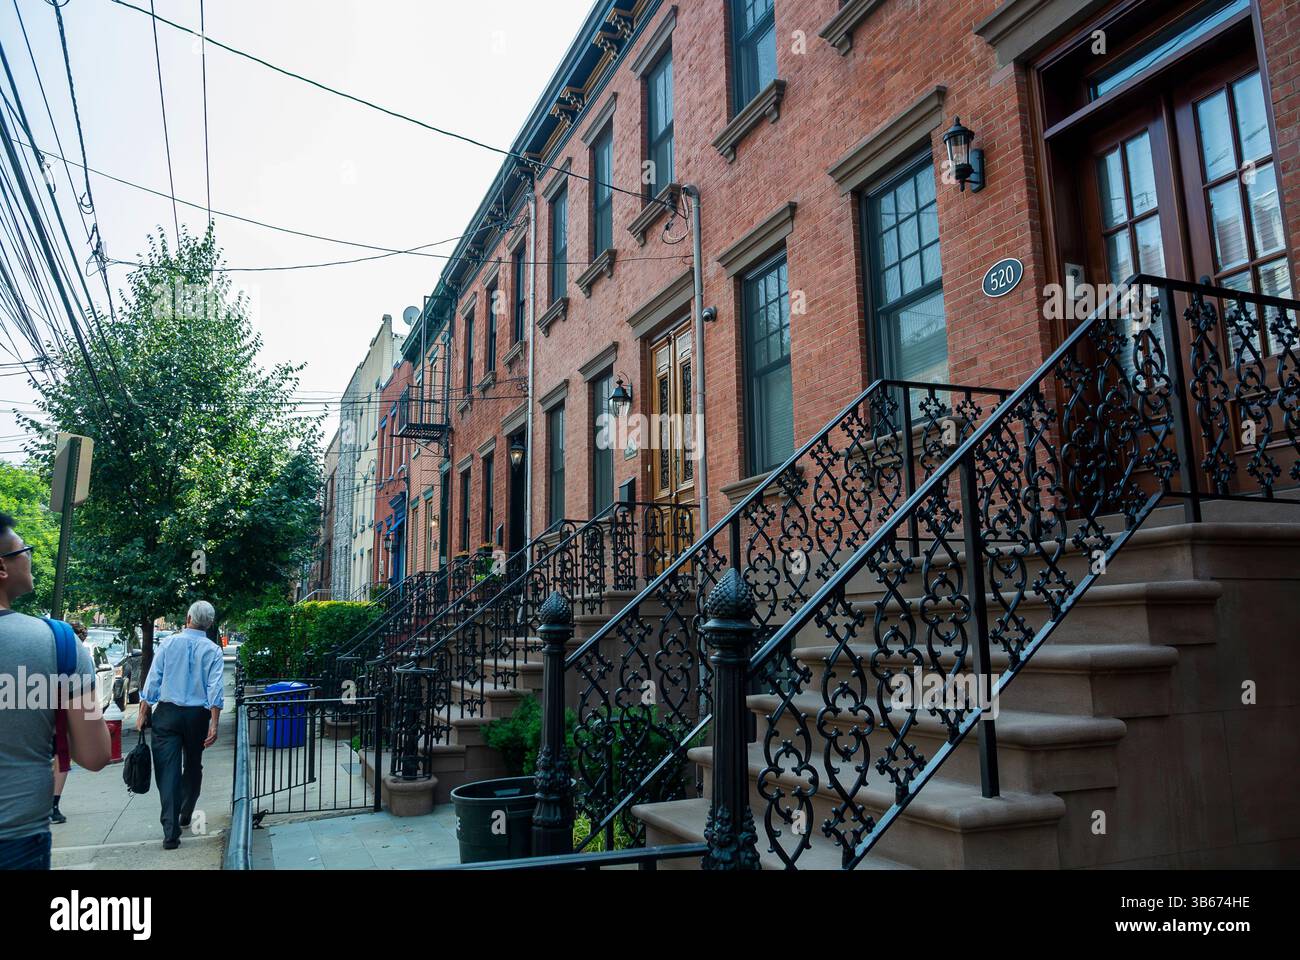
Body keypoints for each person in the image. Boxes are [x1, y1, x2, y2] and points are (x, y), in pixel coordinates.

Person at [0, 513, 111, 870]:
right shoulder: (60, 641)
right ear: (2, 569)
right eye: (24, 550)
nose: (29, 557)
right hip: (18, 840)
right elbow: (95, 755)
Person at [136, 600, 224, 850]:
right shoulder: (213, 650)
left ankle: (170, 830)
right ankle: (186, 810)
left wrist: (143, 711)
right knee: (193, 763)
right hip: (197, 715)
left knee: (168, 769)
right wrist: (214, 724)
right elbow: (214, 689)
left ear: (187, 618)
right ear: (210, 623)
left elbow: (154, 678)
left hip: (167, 713)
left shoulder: (169, 643)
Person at [47, 620, 90, 825]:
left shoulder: (48, 650)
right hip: (63, 712)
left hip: (41, 711)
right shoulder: (79, 655)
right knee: (61, 758)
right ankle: (53, 806)